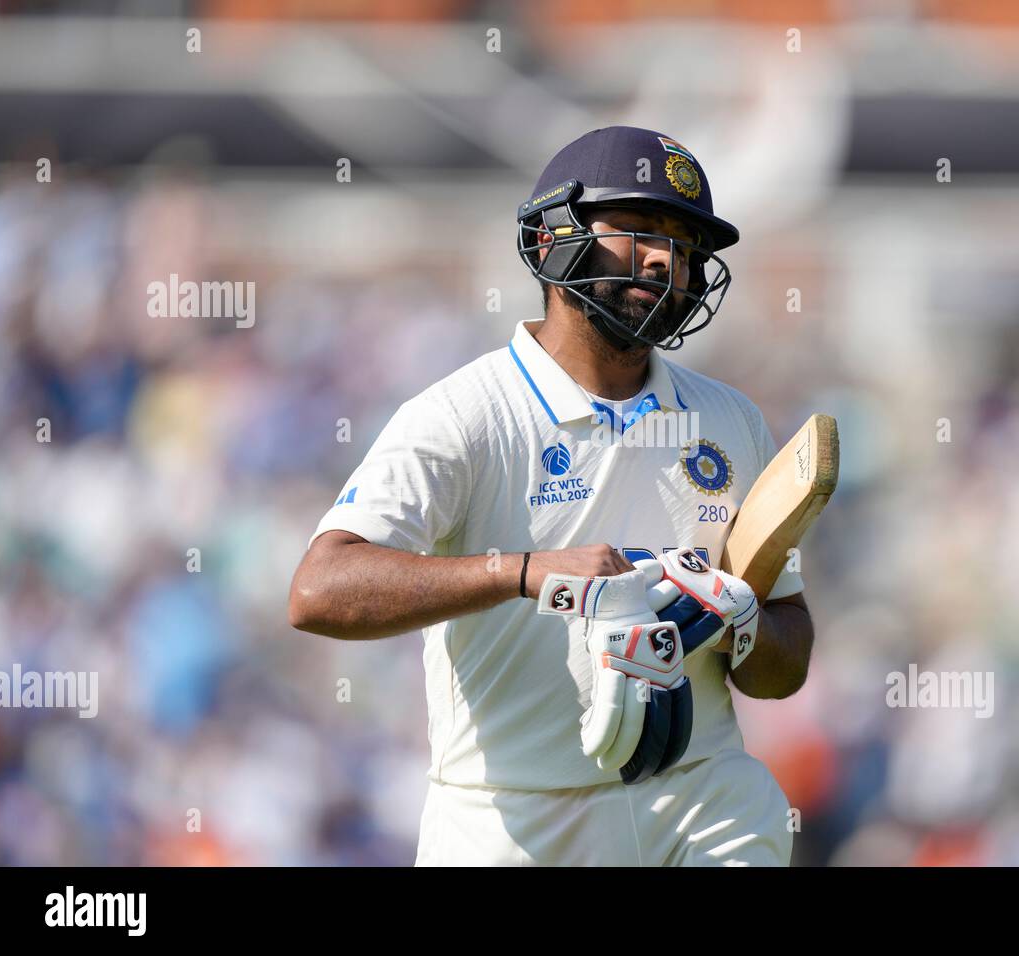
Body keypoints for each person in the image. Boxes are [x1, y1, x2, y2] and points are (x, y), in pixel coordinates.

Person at [288, 126, 814, 866]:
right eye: (637, 231)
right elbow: (318, 590)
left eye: (686, 245)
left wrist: (742, 622)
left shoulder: (731, 421)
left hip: (699, 796)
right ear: (552, 238)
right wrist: (524, 573)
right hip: (509, 820)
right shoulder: (465, 414)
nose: (667, 259)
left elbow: (784, 667)